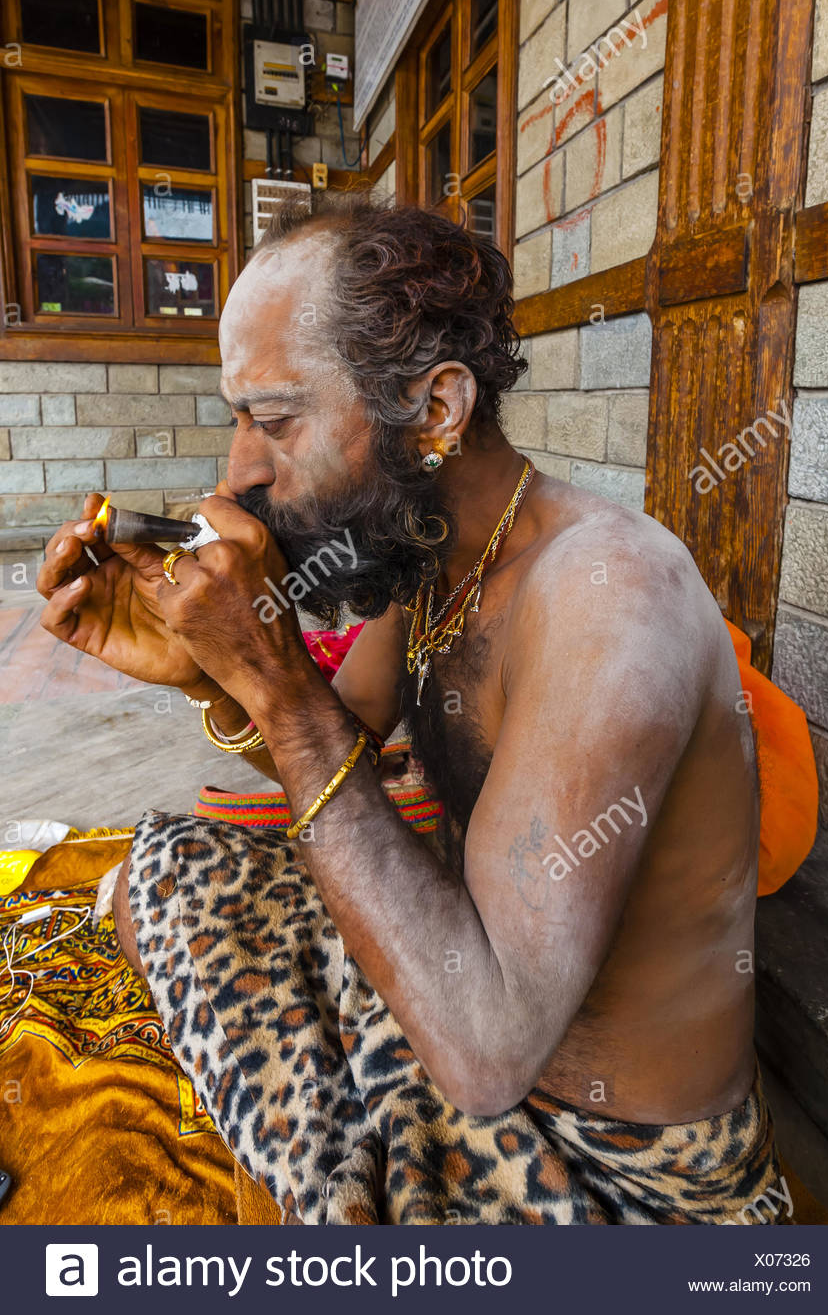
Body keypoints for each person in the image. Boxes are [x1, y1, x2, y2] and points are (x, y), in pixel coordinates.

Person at [36, 195, 784, 1224]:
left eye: (276, 420)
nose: (237, 471)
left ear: (433, 410)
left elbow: (483, 1056)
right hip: (468, 1009)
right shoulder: (428, 553)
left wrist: (275, 680)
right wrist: (213, 675)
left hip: (619, 1178)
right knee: (171, 860)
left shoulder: (607, 594)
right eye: (237, 418)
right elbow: (336, 750)